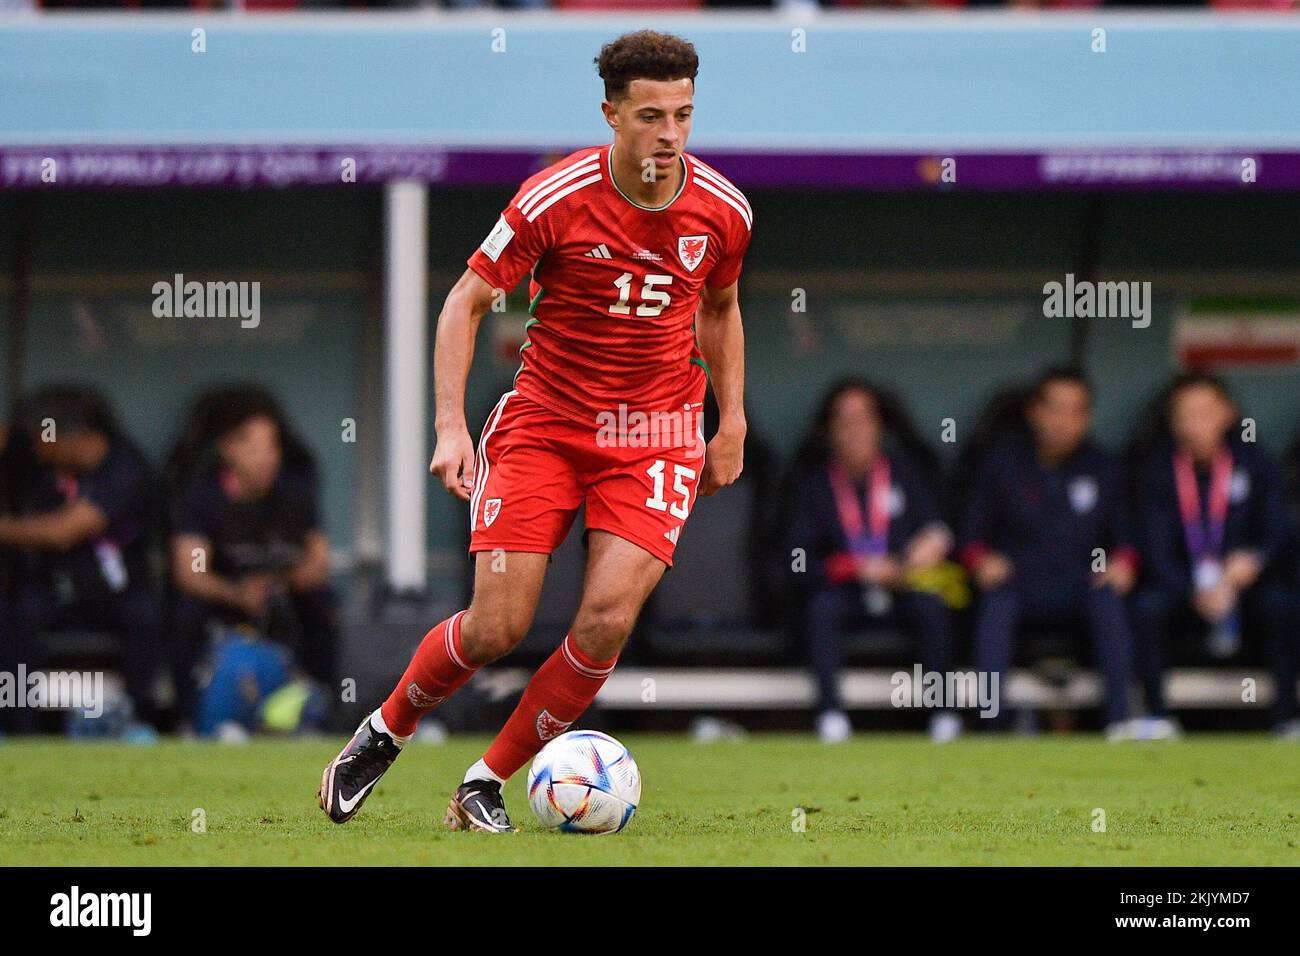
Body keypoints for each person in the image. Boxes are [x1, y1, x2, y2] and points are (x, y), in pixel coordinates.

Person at [319, 30, 752, 832]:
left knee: (606, 619)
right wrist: (450, 427)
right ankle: (384, 732)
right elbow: (465, 301)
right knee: (498, 627)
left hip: (657, 431)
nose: (670, 134)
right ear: (611, 115)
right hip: (546, 425)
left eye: (684, 115)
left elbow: (720, 312)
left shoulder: (723, 211)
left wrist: (732, 422)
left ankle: (484, 781)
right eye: (651, 115)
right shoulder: (556, 196)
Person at [960, 368, 1137, 735]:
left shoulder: (1104, 467)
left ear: (1087, 417)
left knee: (1110, 602)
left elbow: (1128, 540)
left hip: (1082, 580)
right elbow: (970, 535)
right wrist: (981, 560)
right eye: (1055, 409)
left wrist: (1124, 564)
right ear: (1034, 412)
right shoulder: (1003, 464)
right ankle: (991, 724)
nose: (1064, 421)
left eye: (1075, 411)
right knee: (996, 604)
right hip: (1017, 579)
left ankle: (1119, 722)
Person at [786, 380, 959, 743]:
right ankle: (831, 715)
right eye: (845, 421)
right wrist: (859, 567)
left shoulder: (906, 472)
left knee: (933, 608)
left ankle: (942, 714)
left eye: (864, 419)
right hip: (845, 591)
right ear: (829, 430)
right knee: (821, 610)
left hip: (903, 585)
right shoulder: (813, 485)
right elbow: (797, 561)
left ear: (880, 425)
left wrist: (931, 543)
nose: (855, 430)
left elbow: (940, 529)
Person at [1132, 373, 1296, 735]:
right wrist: (1193, 589)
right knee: (1147, 607)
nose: (1195, 423)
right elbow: (1154, 548)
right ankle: (1158, 716)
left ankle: (1285, 719)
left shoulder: (1255, 462)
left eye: (1205, 412)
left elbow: (1278, 532)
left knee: (1281, 605)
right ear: (1172, 420)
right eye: (1185, 414)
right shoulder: (1158, 470)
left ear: (1228, 413)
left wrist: (1252, 561)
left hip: (1243, 587)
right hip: (1184, 588)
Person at [169, 387, 337, 725]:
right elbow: (189, 571)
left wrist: (283, 583)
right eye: (254, 447)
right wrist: (237, 593)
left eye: (272, 446)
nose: (267, 457)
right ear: (227, 448)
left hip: (283, 593)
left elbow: (318, 561)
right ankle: (189, 718)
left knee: (323, 605)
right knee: (186, 611)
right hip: (225, 597)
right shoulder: (203, 494)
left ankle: (327, 712)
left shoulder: (293, 490)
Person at [0, 386, 162, 734]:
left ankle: (133, 719)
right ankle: (20, 727)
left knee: (147, 615)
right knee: (16, 612)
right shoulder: (39, 460)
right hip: (53, 589)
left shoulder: (124, 468)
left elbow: (61, 533)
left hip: (114, 590)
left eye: (46, 438)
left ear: (80, 436)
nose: (39, 449)